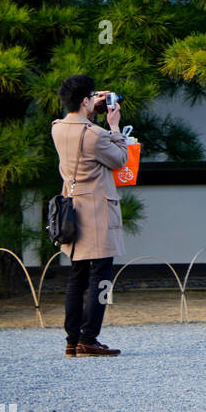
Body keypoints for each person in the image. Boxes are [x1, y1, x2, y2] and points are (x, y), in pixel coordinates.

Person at [51, 75, 128, 357]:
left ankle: (73, 340)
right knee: (102, 274)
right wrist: (114, 125)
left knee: (78, 274)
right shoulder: (96, 134)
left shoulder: (57, 129)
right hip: (97, 208)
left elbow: (79, 133)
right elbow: (120, 158)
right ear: (85, 101)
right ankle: (89, 338)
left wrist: (87, 113)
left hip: (72, 208)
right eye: (92, 96)